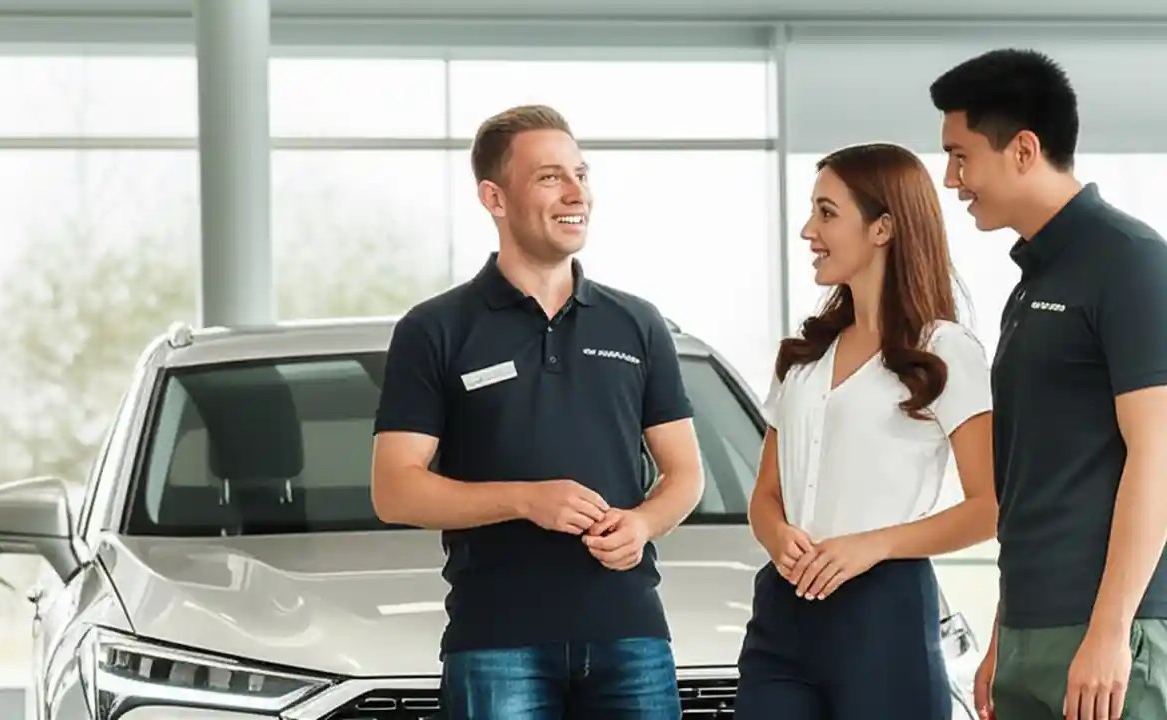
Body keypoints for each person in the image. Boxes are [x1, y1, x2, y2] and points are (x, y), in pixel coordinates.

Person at [370, 104, 705, 719]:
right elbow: (395, 490)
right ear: (494, 198)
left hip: (631, 633)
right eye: (551, 176)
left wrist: (644, 524)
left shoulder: (637, 323)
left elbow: (684, 475)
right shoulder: (435, 329)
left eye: (581, 173)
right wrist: (526, 500)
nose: (577, 192)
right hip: (497, 639)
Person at [930, 49, 1167, 720]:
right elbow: (1032, 476)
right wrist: (1006, 629)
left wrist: (1110, 632)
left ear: (1024, 149)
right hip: (1032, 630)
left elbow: (1159, 455)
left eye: (960, 155)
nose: (952, 180)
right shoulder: (1030, 286)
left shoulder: (1132, 263)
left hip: (1107, 639)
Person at [734, 142, 999, 719]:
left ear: (883, 228)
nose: (808, 230)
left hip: (885, 612)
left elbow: (991, 507)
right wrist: (778, 537)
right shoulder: (803, 357)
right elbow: (766, 496)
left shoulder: (946, 351)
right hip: (783, 608)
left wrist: (872, 546)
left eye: (827, 212)